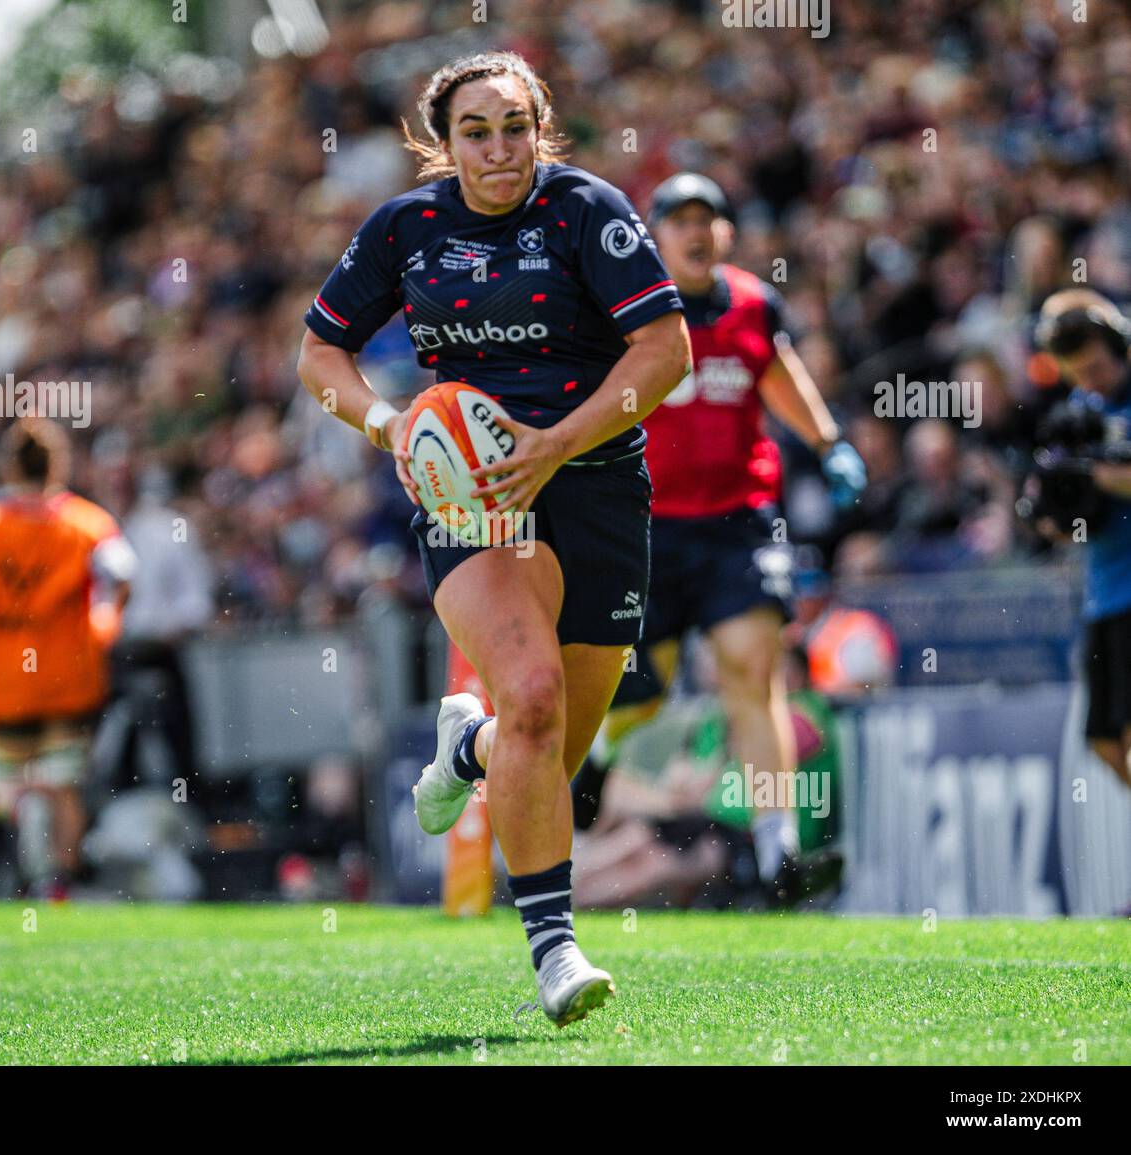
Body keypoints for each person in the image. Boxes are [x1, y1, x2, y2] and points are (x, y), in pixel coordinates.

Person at [297, 51, 690, 1025]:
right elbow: (319, 351)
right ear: (445, 142)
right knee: (534, 694)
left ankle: (465, 748)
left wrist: (554, 443)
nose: (498, 147)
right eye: (476, 130)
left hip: (596, 485)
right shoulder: (406, 227)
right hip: (471, 498)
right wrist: (389, 424)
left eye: (514, 125)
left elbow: (667, 350)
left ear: (539, 125)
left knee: (546, 761)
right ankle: (555, 952)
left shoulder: (587, 210)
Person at [572, 173, 866, 902]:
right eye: (681, 220)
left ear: (728, 233)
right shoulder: (627, 310)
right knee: (637, 687)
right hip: (647, 530)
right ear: (655, 235)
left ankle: (777, 849)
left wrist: (829, 443)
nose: (697, 233)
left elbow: (781, 374)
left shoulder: (754, 305)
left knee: (751, 668)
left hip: (739, 524)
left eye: (710, 220)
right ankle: (601, 756)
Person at [0, 418, 137, 898]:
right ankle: (60, 882)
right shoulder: (89, 522)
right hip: (69, 674)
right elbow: (122, 577)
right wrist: (103, 624)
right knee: (65, 782)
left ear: (7, 465)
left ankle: (22, 810)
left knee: (3, 784)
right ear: (60, 464)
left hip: (2, 679)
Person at [1032, 290, 1131, 793]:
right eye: (1079, 372)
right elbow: (1063, 506)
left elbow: (1104, 476)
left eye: (1096, 367)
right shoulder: (1078, 410)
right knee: (1104, 739)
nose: (1091, 381)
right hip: (1104, 593)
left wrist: (1097, 475)